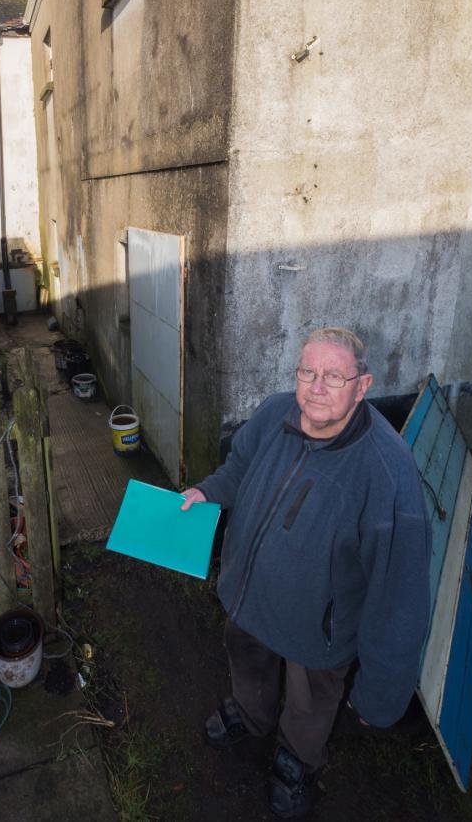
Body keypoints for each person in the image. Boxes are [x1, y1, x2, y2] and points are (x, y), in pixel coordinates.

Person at [181, 327, 430, 819]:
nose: (316, 387)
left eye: (334, 377)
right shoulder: (275, 413)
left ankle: (297, 758)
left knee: (310, 698)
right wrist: (207, 492)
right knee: (245, 656)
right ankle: (250, 714)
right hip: (250, 593)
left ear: (362, 386)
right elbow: (239, 467)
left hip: (319, 629)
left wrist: (380, 696)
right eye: (307, 372)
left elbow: (399, 600)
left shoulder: (388, 475)